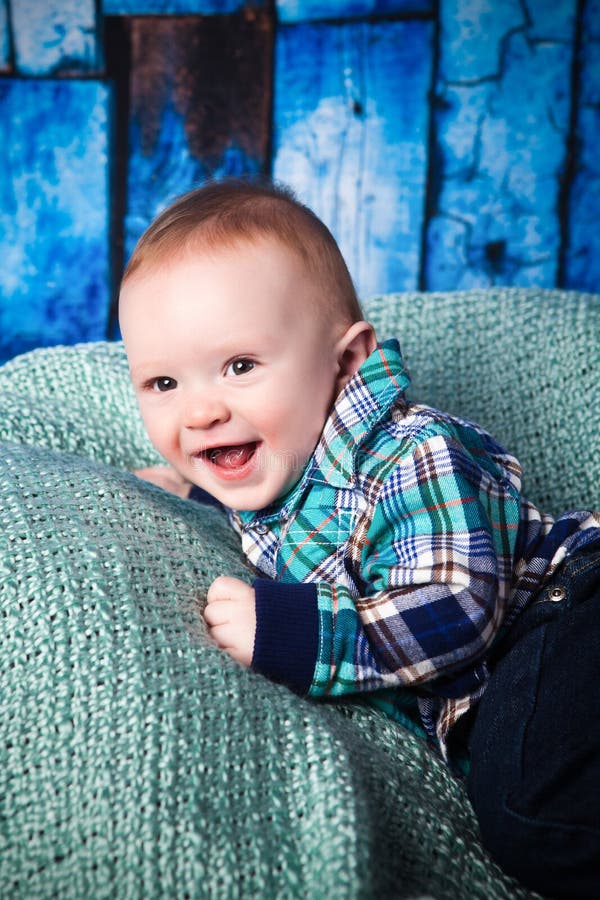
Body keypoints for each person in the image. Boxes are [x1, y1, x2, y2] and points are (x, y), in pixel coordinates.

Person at [119, 178, 600, 897]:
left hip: (565, 613)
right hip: (515, 678)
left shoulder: (411, 452)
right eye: (163, 384)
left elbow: (457, 607)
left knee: (532, 818)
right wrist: (192, 491)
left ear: (345, 363)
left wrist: (299, 635)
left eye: (240, 366)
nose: (200, 412)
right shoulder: (280, 467)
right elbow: (288, 513)